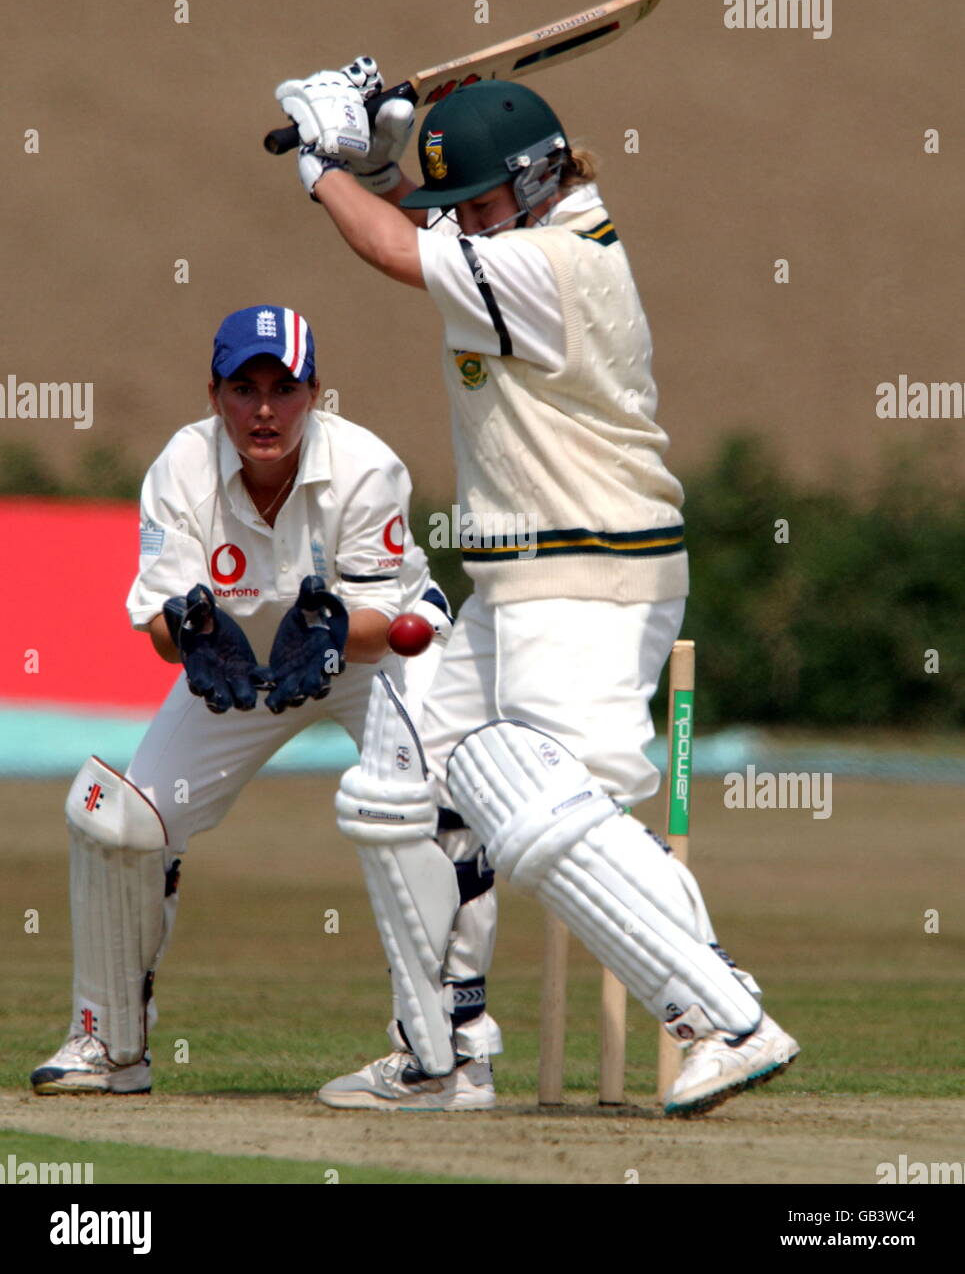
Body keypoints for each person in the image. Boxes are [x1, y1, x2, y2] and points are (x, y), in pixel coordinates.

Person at [270, 63, 800, 1116]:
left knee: (536, 797)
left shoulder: (550, 263)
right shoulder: (513, 238)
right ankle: (441, 1055)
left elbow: (389, 247)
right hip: (513, 580)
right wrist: (393, 150)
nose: (463, 218)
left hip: (593, 572)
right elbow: (417, 225)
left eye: (473, 196)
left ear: (536, 176)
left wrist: (326, 168)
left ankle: (722, 1013)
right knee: (393, 780)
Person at [29, 304, 499, 1109]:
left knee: (427, 802)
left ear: (314, 392)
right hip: (243, 664)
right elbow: (158, 628)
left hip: (368, 652)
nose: (264, 409)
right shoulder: (180, 466)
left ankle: (448, 1053)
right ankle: (111, 1044)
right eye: (243, 389)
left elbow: (400, 623)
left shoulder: (364, 466)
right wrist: (188, 633)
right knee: (118, 820)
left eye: (283, 388)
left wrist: (331, 636)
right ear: (214, 395)